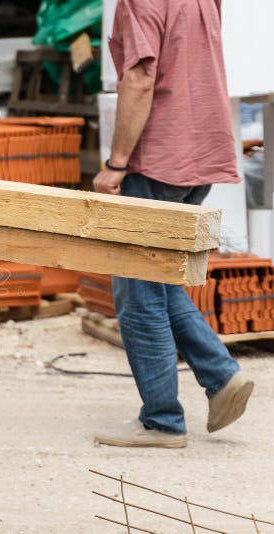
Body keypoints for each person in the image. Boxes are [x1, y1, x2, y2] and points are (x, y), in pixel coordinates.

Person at [93, 0, 254, 448]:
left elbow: (141, 79)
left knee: (137, 290)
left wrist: (116, 164)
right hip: (202, 153)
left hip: (158, 159)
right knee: (161, 281)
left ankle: (162, 421)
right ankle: (222, 377)